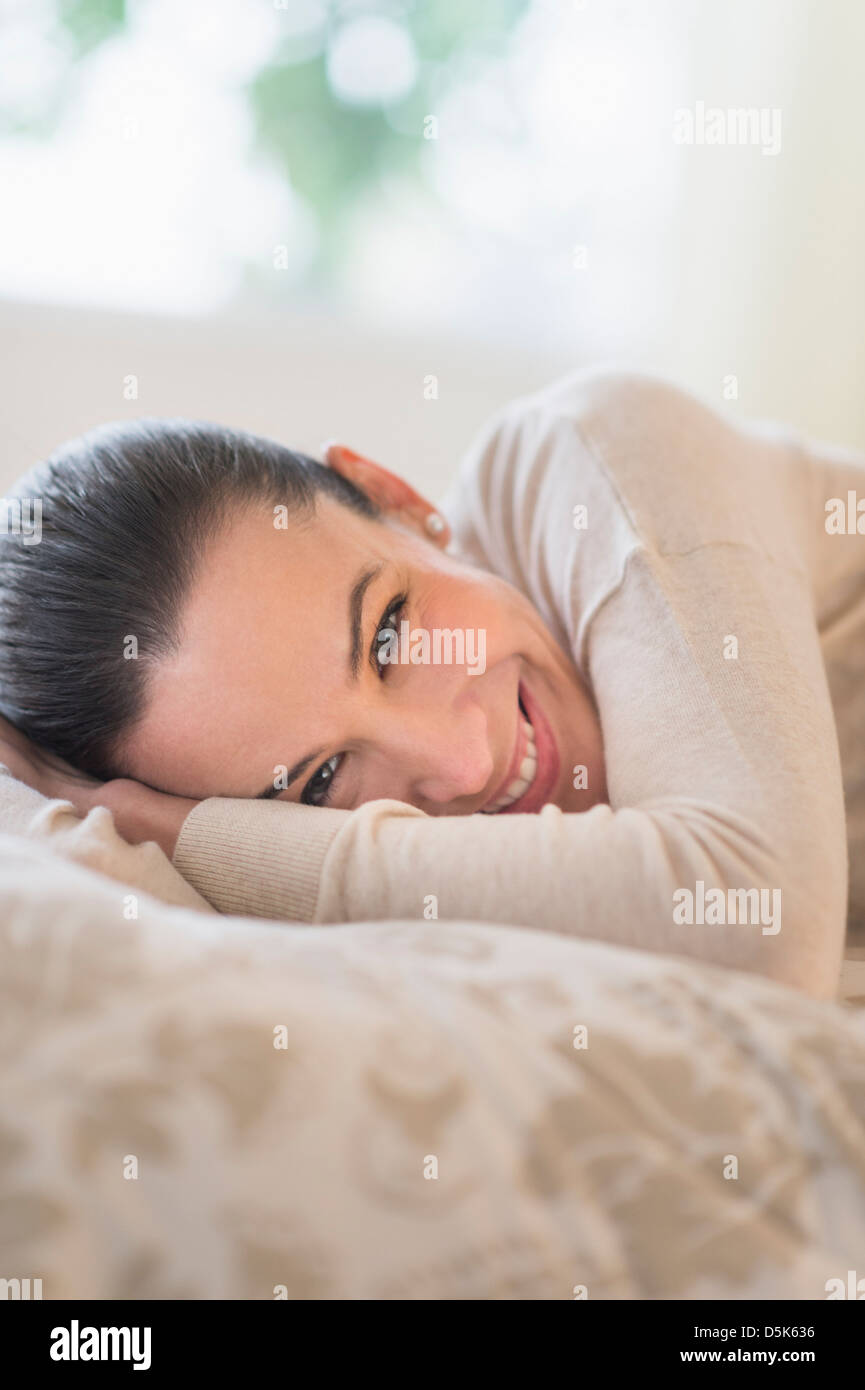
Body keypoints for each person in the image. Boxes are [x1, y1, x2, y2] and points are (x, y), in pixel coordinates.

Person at [2, 367, 863, 997]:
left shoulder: (599, 453)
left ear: (396, 496)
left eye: (389, 637)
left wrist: (196, 837)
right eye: (320, 782)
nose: (461, 763)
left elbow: (756, 923)